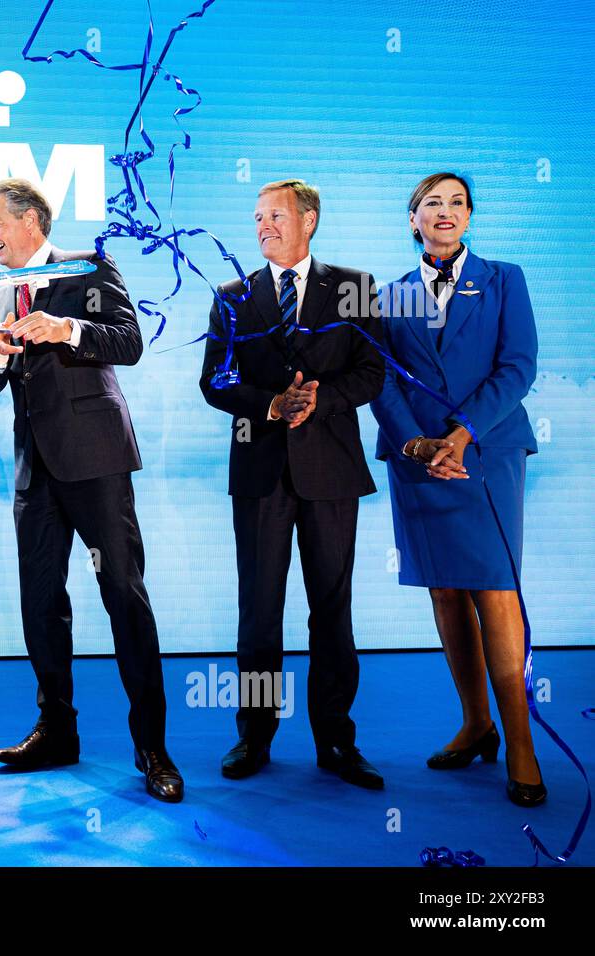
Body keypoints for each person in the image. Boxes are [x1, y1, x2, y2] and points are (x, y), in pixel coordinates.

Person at [0, 178, 183, 803]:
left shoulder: (87, 267)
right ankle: (56, 732)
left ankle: (153, 746)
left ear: (32, 222)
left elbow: (130, 342)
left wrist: (65, 329)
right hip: (32, 470)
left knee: (124, 594)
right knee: (40, 600)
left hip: (95, 458)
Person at [199, 179, 386, 790]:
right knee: (259, 611)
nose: (263, 226)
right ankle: (254, 735)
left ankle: (336, 738)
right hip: (260, 477)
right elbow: (215, 380)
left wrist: (319, 400)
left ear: (309, 221)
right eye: (257, 217)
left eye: (275, 215)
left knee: (332, 610)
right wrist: (272, 406)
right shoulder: (231, 297)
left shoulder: (353, 288)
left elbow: (373, 373)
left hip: (330, 471)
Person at [371, 173, 544, 806]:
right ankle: (476, 724)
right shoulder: (386, 296)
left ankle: (521, 744)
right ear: (412, 218)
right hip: (417, 457)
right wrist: (420, 445)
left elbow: (517, 365)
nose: (445, 212)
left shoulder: (505, 279)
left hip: (489, 453)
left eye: (456, 203)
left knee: (495, 591)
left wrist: (462, 435)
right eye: (432, 204)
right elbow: (380, 380)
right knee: (444, 590)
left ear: (469, 217)